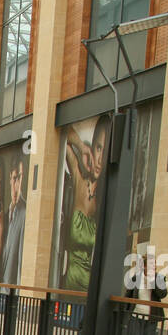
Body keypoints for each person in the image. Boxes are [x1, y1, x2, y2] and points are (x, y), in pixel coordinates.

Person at [61, 116, 111, 293]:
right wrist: (82, 147)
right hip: (69, 285)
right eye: (98, 148)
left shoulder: (106, 198)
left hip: (91, 293)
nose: (99, 159)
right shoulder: (79, 182)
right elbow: (63, 130)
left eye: (105, 152)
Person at [0, 157, 27, 287]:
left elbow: (21, 262)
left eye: (20, 178)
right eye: (15, 178)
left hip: (12, 295)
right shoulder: (4, 215)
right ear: (10, 178)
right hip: (0, 292)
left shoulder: (25, 213)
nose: (17, 184)